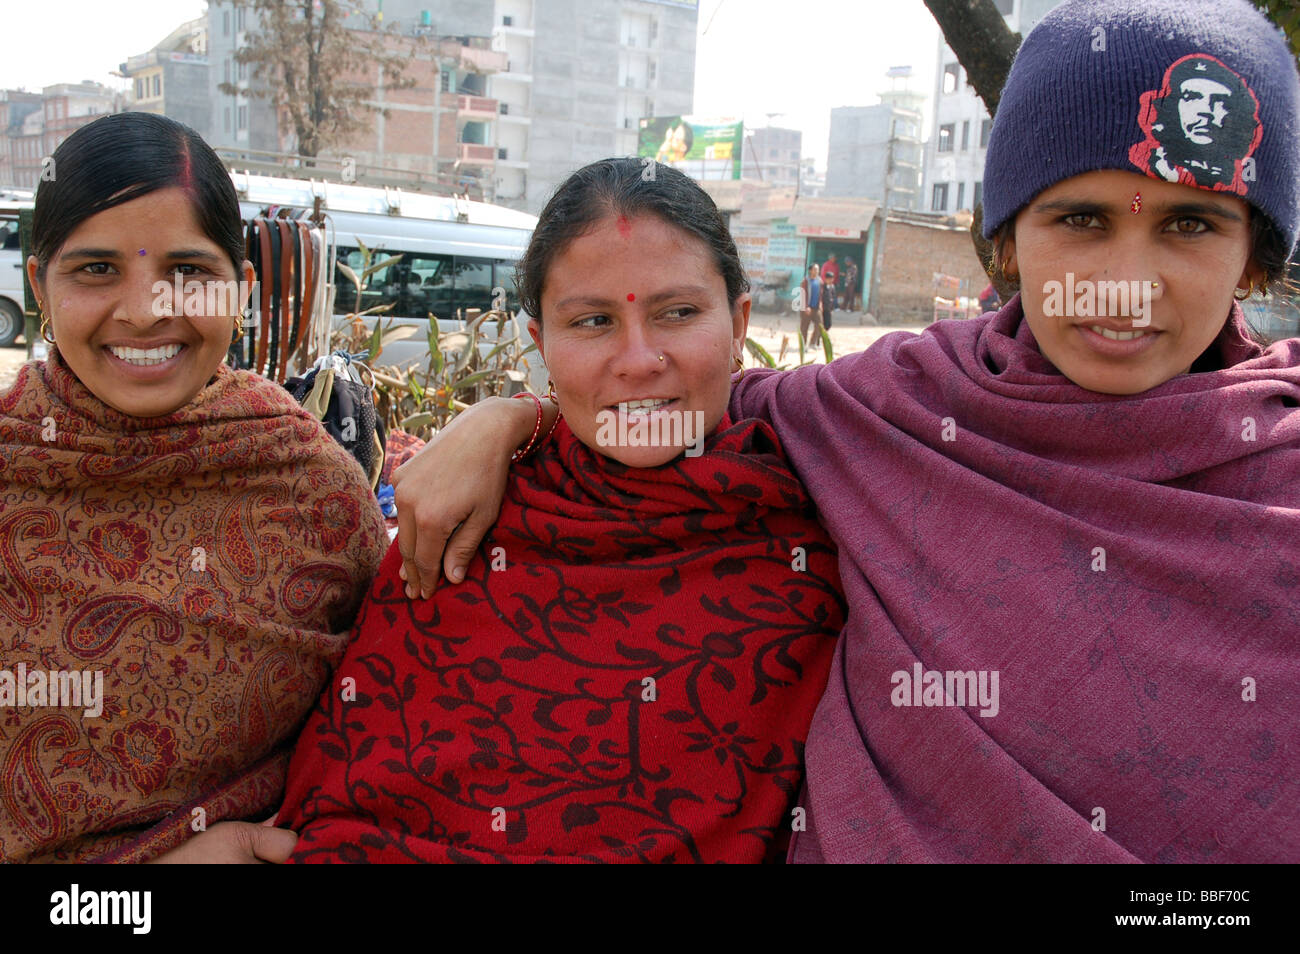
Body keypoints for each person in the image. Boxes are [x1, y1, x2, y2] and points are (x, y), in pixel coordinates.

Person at [387, 0, 1300, 863]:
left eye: (1190, 223)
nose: (1125, 283)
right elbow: (672, 395)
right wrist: (507, 418)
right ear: (1006, 240)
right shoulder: (893, 407)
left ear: (1255, 254)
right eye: (1080, 219)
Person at [278, 158, 844, 863]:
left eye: (677, 312)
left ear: (740, 322)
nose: (639, 360)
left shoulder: (819, 537)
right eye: (594, 321)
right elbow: (342, 808)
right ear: (541, 344)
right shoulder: (465, 521)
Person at [0, 113, 387, 863]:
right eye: (96, 269)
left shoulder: (312, 488)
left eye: (188, 272)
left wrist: (517, 419)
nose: (147, 312)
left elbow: (385, 731)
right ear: (38, 283)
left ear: (240, 287)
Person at [798, 264, 823, 348]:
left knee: (819, 325)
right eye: (815, 269)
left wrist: (820, 303)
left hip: (816, 308)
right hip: (806, 308)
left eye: (818, 269)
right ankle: (803, 345)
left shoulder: (819, 280)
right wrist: (806, 306)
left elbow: (820, 294)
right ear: (810, 271)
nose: (817, 271)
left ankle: (812, 343)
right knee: (804, 327)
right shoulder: (805, 281)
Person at [820, 253, 838, 327]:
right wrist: (825, 282)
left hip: (829, 307)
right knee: (822, 323)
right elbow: (823, 274)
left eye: (835, 258)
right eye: (833, 258)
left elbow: (833, 297)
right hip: (823, 307)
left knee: (828, 324)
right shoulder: (826, 265)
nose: (834, 259)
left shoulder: (836, 265)